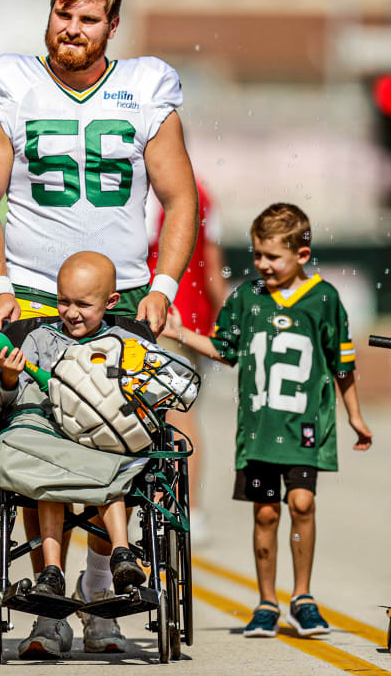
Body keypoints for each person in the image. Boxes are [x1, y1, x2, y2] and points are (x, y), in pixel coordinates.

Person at [0, 0, 198, 656]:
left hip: (122, 296)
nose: (72, 29)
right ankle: (50, 610)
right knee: (40, 435)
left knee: (114, 433)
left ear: (112, 26)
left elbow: (179, 197)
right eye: (63, 14)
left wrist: (164, 286)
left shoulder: (145, 86)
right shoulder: (11, 83)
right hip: (35, 295)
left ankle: (99, 594)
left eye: (88, 19)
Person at [174, 203, 375, 638]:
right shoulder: (246, 298)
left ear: (302, 255)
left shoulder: (324, 299)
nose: (263, 264)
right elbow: (225, 350)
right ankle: (267, 601)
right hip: (259, 430)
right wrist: (182, 333)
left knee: (302, 503)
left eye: (273, 257)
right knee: (265, 513)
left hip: (305, 427)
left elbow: (342, 363)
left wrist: (355, 416)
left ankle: (302, 597)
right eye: (257, 255)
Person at [0, 251, 193, 659]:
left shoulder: (127, 344)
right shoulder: (40, 340)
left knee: (118, 463)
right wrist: (9, 377)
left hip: (104, 440)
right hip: (50, 436)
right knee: (49, 473)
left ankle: (119, 558)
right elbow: (13, 405)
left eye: (83, 304)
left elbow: (152, 400)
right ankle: (51, 576)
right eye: (63, 301)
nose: (71, 312)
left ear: (111, 302)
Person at [147, 180, 229, 544]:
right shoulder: (199, 191)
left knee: (171, 417)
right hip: (187, 317)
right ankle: (187, 509)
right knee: (182, 416)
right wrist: (223, 318)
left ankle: (181, 508)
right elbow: (211, 262)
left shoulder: (129, 183)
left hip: (155, 316)